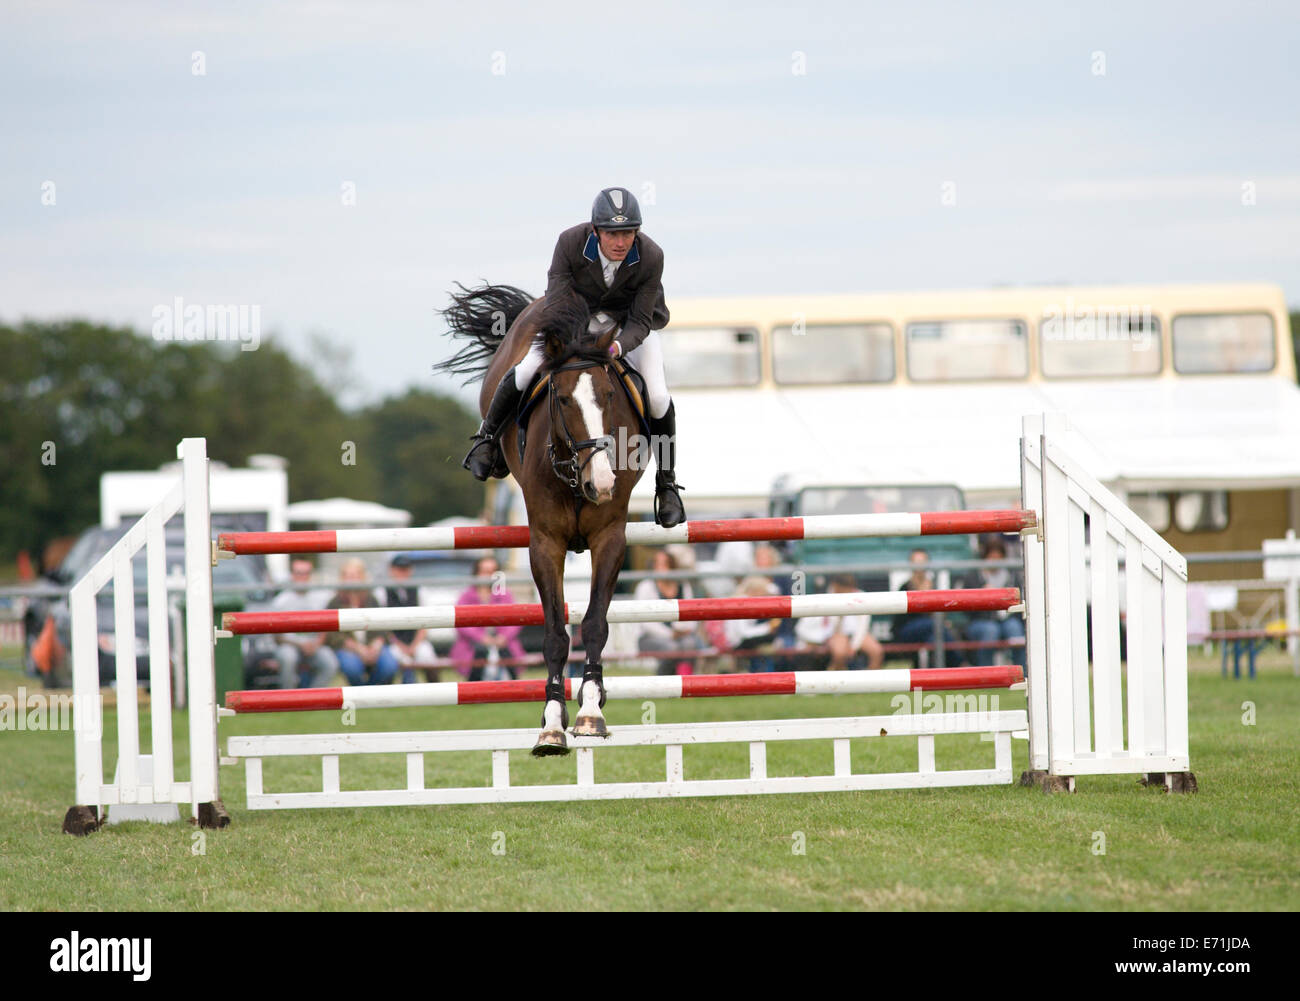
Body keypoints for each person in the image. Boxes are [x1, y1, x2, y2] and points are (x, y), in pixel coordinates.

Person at [460, 186, 685, 528]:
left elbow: (641, 320)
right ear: (596, 231)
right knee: (526, 370)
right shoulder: (569, 243)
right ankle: (487, 439)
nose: (620, 242)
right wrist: (575, 344)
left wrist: (615, 348)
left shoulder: (652, 256)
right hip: (573, 322)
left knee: (656, 396)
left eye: (627, 233)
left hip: (628, 329)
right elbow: (558, 300)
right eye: (612, 233)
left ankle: (666, 484)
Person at [449, 555, 526, 681]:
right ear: (476, 573)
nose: (488, 576)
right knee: (480, 653)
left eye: (492, 572)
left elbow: (515, 621)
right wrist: (481, 638)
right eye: (484, 571)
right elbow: (462, 624)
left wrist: (504, 637)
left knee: (506, 654)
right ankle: (474, 689)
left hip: (503, 643)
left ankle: (513, 687)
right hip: (474, 645)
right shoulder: (466, 596)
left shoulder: (505, 594)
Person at [325, 558, 397, 686]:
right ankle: (361, 693)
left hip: (372, 645)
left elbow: (383, 626)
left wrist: (377, 644)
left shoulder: (372, 599)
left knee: (390, 665)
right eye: (348, 575)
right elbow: (333, 635)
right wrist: (358, 649)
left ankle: (372, 693)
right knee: (352, 668)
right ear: (342, 578)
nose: (352, 579)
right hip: (347, 648)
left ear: (362, 577)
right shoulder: (334, 602)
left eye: (355, 575)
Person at [269, 557, 338, 689]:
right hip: (289, 645)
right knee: (288, 657)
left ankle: (313, 699)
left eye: (306, 573)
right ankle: (288, 699)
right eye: (299, 573)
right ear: (292, 575)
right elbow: (277, 637)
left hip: (314, 645)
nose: (302, 577)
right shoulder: (281, 601)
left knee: (331, 662)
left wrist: (317, 643)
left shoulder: (321, 597)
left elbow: (326, 626)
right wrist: (300, 644)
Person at [793, 574, 884, 670]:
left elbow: (863, 626)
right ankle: (838, 682)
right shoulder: (827, 597)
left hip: (858, 634)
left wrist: (854, 646)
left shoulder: (861, 596)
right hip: (836, 634)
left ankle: (870, 683)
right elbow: (831, 628)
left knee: (876, 651)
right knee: (840, 653)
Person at [635, 548, 703, 674]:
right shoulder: (645, 587)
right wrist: (670, 634)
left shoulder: (684, 585)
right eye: (658, 564)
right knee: (672, 648)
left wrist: (685, 630)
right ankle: (662, 683)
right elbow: (645, 623)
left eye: (666, 564)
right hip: (651, 637)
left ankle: (686, 684)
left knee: (690, 644)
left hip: (683, 635)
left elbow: (692, 614)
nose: (662, 569)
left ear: (673, 567)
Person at [962, 538, 1025, 667]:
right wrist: (982, 596)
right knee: (990, 631)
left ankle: (1021, 672)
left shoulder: (1011, 576)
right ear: (985, 557)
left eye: (998, 557)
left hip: (1007, 620)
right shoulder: (973, 576)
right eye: (991, 557)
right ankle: (986, 674)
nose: (995, 561)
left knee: (1015, 628)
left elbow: (1019, 604)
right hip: (980, 621)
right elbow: (966, 609)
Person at [892, 549, 960, 667]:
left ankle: (934, 675)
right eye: (916, 562)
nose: (919, 566)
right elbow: (901, 619)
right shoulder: (904, 587)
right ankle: (960, 661)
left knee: (933, 638)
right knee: (933, 625)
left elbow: (942, 614)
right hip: (907, 631)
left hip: (931, 629)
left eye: (922, 562)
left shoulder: (933, 585)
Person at [382, 554, 437, 684]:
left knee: (428, 656)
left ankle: (436, 690)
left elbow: (425, 623)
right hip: (394, 642)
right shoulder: (382, 592)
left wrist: (414, 645)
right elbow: (382, 626)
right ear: (391, 570)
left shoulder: (420, 590)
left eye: (405, 569)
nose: (402, 573)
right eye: (399, 569)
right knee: (392, 660)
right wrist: (399, 645)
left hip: (416, 641)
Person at [723, 575, 784, 672]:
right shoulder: (742, 602)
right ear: (756, 591)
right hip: (737, 643)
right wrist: (767, 628)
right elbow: (743, 633)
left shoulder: (743, 600)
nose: (764, 596)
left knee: (770, 640)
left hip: (738, 641)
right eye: (763, 593)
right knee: (770, 638)